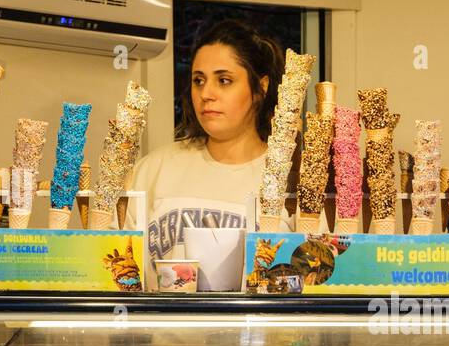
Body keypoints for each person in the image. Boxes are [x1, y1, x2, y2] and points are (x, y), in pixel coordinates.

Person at [129, 18, 314, 263]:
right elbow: (114, 266)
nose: (206, 94)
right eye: (198, 80)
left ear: (261, 87)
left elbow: (318, 272)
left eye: (224, 80)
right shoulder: (154, 169)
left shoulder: (297, 178)